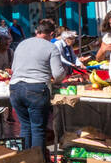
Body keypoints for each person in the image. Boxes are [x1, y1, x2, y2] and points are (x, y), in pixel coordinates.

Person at [9, 17, 72, 152]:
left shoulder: (22, 44)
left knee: (25, 127)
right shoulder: (51, 46)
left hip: (15, 87)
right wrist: (57, 79)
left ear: (37, 31)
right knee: (37, 128)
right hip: (36, 89)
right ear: (51, 34)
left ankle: (26, 162)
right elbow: (58, 74)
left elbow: (14, 68)